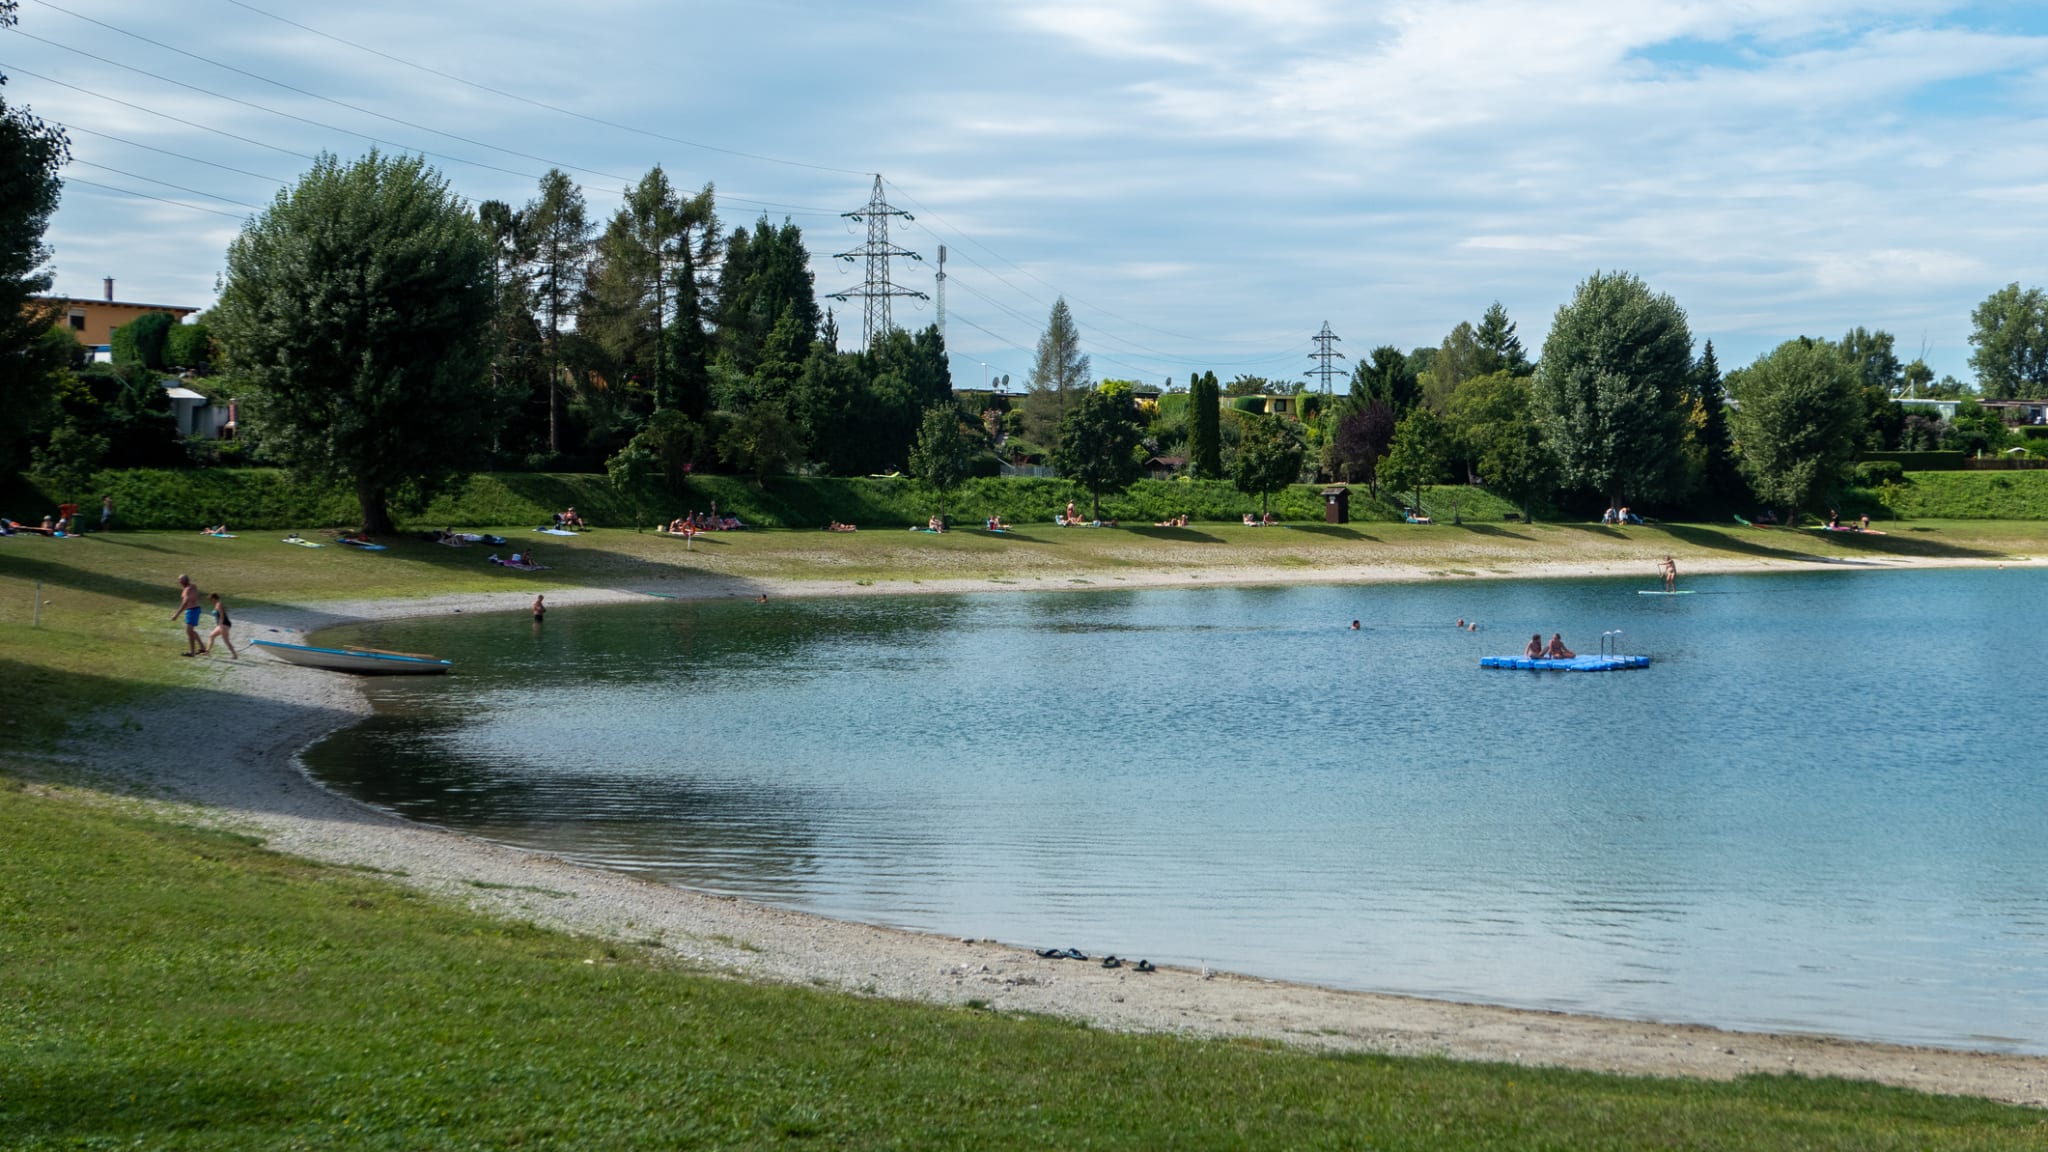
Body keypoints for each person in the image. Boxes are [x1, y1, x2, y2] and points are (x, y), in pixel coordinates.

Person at [173, 575, 204, 656]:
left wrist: (176, 614)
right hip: (192, 610)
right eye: (179, 581)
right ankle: (202, 648)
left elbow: (185, 603)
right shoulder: (193, 586)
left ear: (185, 581)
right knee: (191, 631)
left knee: (189, 631)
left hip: (192, 610)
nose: (179, 582)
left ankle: (192, 652)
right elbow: (197, 596)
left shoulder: (188, 589)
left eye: (181, 581)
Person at [204, 592, 237, 658]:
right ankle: (207, 652)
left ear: (214, 598)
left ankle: (234, 655)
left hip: (224, 624)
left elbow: (221, 616)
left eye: (210, 599)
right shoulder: (217, 604)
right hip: (221, 625)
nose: (210, 601)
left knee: (226, 640)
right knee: (211, 636)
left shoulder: (219, 604)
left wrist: (220, 625)